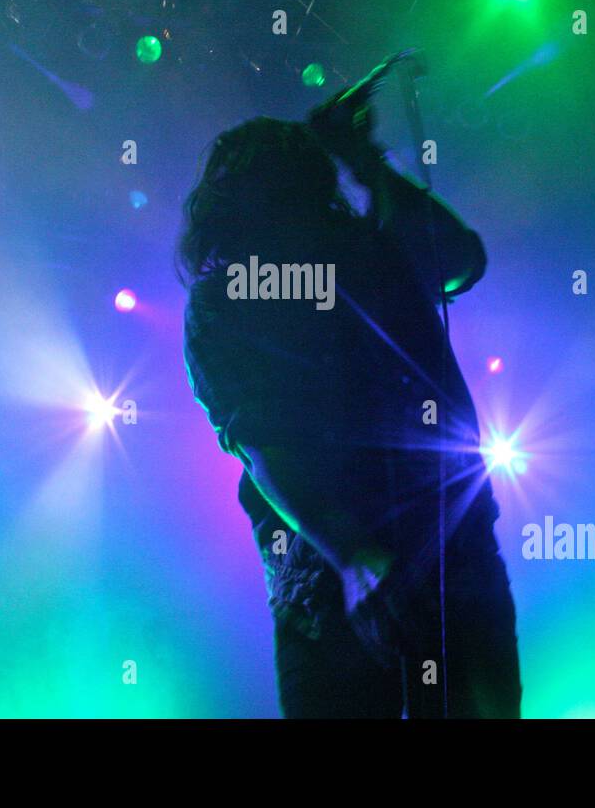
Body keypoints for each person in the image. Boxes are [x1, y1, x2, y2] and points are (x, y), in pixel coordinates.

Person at [179, 58, 520, 717]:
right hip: (335, 577)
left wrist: (369, 164)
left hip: (444, 552)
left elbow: (458, 260)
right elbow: (265, 444)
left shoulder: (372, 255)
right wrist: (356, 558)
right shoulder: (228, 299)